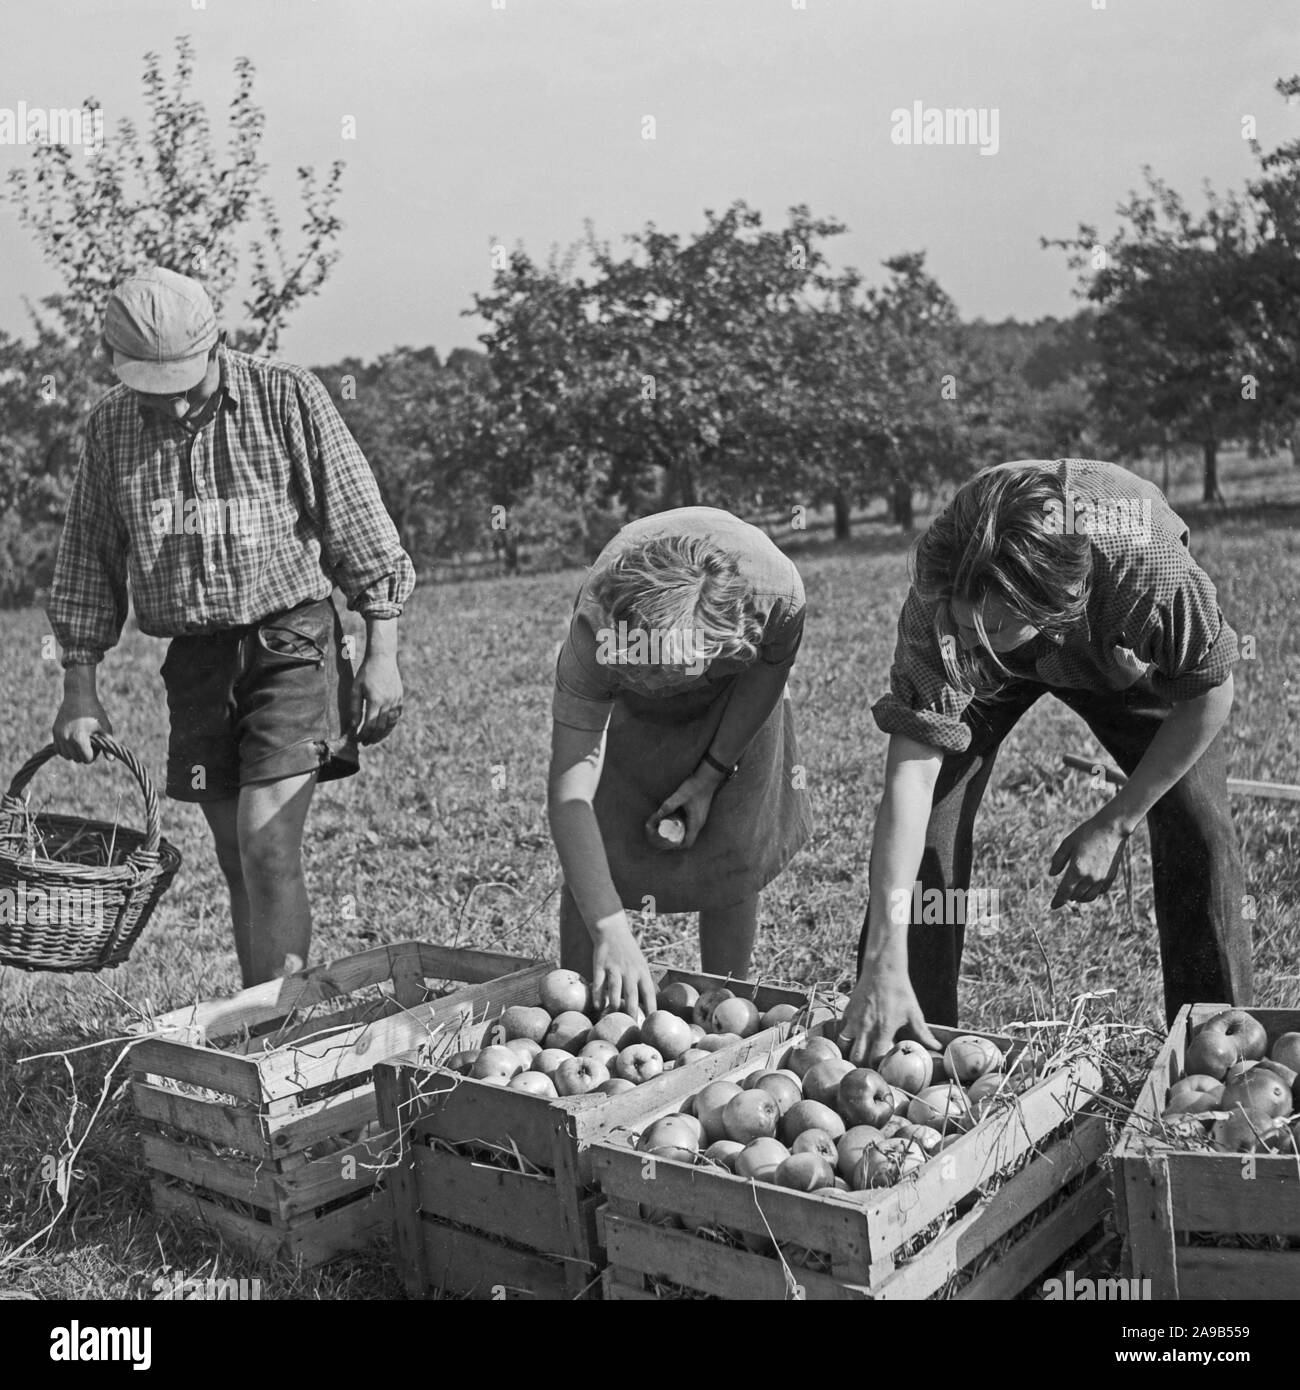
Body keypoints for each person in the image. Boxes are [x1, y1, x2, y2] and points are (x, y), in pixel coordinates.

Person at [48, 266, 414, 986]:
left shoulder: (287, 397)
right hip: (197, 659)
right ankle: (265, 1021)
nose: (177, 404)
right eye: (158, 389)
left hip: (292, 640)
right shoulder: (111, 427)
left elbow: (359, 524)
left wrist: (382, 650)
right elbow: (88, 559)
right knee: (235, 859)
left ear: (218, 344)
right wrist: (79, 688)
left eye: (187, 380)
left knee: (267, 845)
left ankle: (286, 1040)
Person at [839, 458, 1251, 1064]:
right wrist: (882, 955)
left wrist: (1116, 820)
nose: (971, 638)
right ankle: (906, 1039)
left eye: (993, 626)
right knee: (931, 830)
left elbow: (1210, 689)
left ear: (1058, 601)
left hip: (1111, 650)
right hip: (1016, 626)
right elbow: (912, 773)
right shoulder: (947, 597)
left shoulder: (1142, 565)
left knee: (1198, 824)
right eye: (963, 618)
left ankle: (1215, 1056)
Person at [547, 507, 813, 1016]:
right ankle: (577, 1008)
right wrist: (610, 926)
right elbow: (571, 789)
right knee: (601, 838)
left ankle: (725, 1010)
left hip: (732, 694)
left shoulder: (778, 595)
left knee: (734, 841)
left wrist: (713, 773)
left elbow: (765, 679)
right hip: (629, 703)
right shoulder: (593, 635)